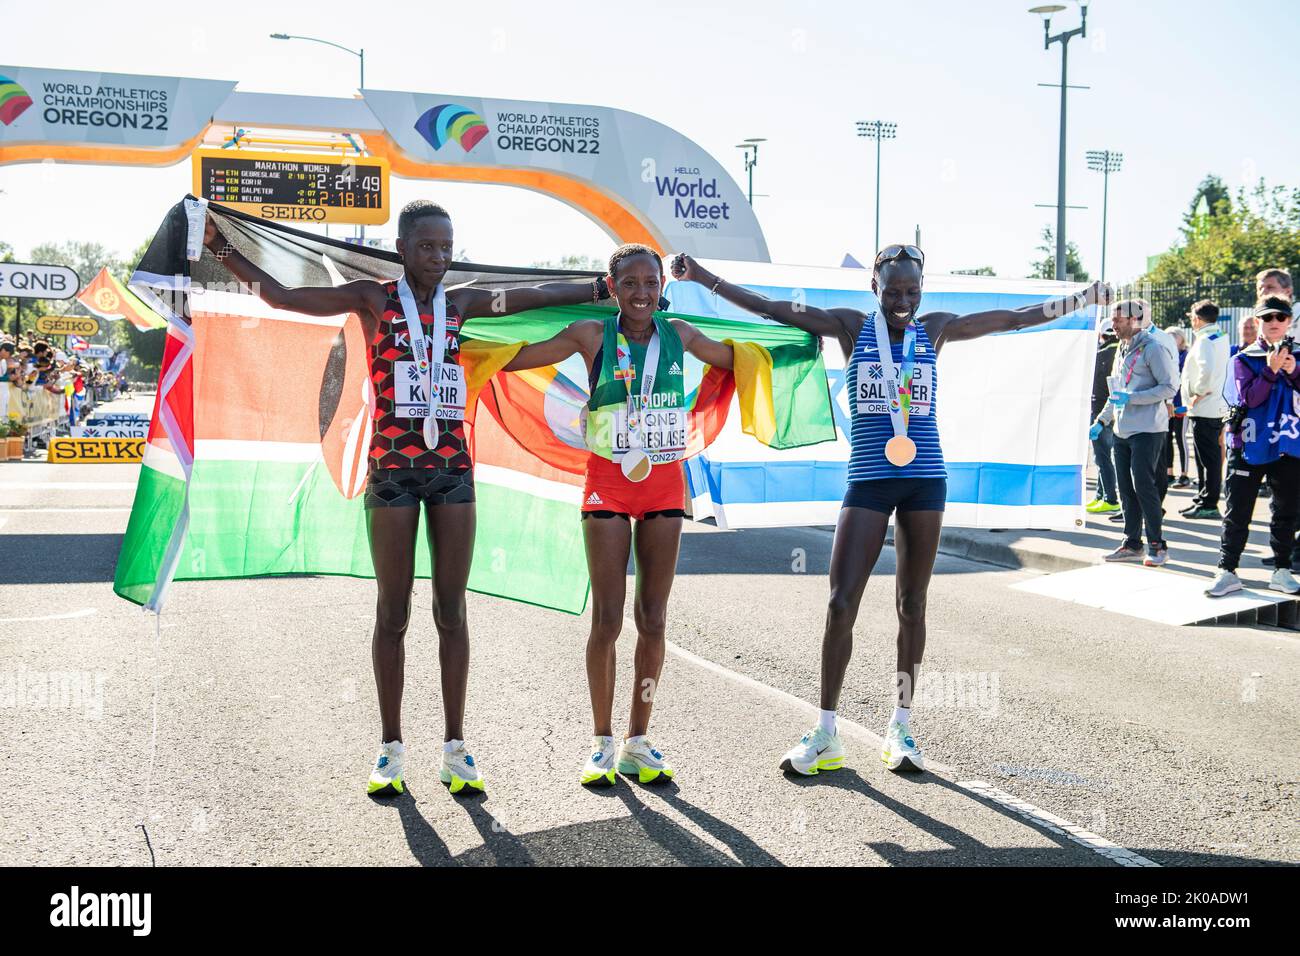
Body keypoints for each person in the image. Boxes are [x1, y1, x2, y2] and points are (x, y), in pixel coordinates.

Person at [203, 200, 603, 797]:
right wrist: (221, 251)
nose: (438, 257)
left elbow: (532, 294)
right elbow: (284, 298)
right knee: (393, 613)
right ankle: (390, 748)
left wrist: (599, 286)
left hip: (451, 471)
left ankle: (455, 747)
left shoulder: (462, 303)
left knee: (452, 611)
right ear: (402, 248)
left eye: (446, 247)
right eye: (426, 247)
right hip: (391, 471)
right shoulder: (372, 298)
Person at [674, 246, 1108, 775]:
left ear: (922, 290)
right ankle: (826, 731)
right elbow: (772, 309)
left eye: (912, 291)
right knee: (839, 603)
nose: (903, 301)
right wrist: (704, 275)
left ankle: (901, 726)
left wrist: (1082, 299)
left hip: (925, 481)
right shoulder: (851, 328)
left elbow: (1014, 320)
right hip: (870, 482)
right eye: (893, 291)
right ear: (874, 290)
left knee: (913, 603)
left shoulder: (938, 330)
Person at [498, 244, 736, 786]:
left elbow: (743, 357)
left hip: (663, 487)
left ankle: (639, 740)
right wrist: (465, 343)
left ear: (661, 286)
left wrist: (793, 341)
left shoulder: (682, 337)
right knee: (607, 619)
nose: (641, 293)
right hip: (607, 483)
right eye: (629, 283)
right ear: (612, 284)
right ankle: (601, 742)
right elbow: (521, 357)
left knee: (652, 618)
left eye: (650, 282)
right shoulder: (593, 335)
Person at [1205, 297, 1300, 597]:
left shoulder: (1297, 357)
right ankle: (1227, 569)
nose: (1274, 322)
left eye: (1281, 317)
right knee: (1238, 510)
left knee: (1285, 511)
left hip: (1288, 444)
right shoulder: (1243, 359)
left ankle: (1282, 570)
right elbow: (1249, 399)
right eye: (1267, 317)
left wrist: (1294, 370)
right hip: (1247, 445)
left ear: (1289, 322)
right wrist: (1271, 370)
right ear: (1257, 321)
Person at [1092, 299, 1179, 567]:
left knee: (1144, 486)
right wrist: (1101, 421)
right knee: (1126, 489)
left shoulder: (1154, 348)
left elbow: (1169, 388)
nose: (1113, 324)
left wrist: (1132, 398)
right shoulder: (1121, 349)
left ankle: (1157, 545)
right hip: (1122, 430)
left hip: (1148, 429)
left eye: (1118, 319)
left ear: (1134, 320)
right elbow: (1115, 393)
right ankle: (1132, 543)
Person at [1179, 300, 1230, 520]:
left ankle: (1209, 502)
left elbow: (1206, 372)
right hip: (1214, 406)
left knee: (1208, 459)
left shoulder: (1204, 341)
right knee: (1208, 458)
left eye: (1192, 317)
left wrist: (1196, 393)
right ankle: (1204, 497)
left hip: (1204, 407)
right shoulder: (1219, 337)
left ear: (1197, 319)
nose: (1191, 320)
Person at [1087, 319, 1121, 514]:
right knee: (1106, 456)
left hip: (1101, 411)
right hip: (1114, 411)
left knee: (1102, 457)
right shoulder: (1121, 353)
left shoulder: (1100, 355)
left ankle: (1109, 497)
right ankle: (1101, 495)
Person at [1166, 327, 1191, 488]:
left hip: (1182, 405)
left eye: (1174, 337)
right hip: (1167, 405)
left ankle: (1184, 474)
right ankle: (1169, 473)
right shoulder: (1165, 356)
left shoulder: (1186, 356)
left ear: (1181, 339)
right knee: (1166, 439)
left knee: (1181, 439)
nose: (1171, 340)